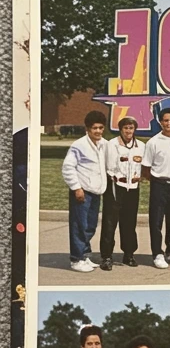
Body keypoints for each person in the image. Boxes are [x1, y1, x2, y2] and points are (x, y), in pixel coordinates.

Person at [61, 109, 108, 272]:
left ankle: (85, 255)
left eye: (101, 128)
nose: (98, 131)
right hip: (82, 192)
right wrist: (76, 188)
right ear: (87, 129)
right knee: (79, 225)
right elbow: (68, 167)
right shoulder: (79, 145)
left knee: (90, 225)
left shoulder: (104, 144)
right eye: (95, 128)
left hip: (96, 191)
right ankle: (76, 259)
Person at [141, 107, 170, 269]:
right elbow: (146, 168)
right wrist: (157, 180)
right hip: (159, 185)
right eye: (165, 120)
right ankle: (157, 253)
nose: (168, 123)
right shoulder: (153, 142)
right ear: (160, 122)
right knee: (156, 221)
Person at [99, 115, 143, 269]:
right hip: (115, 186)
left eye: (131, 128)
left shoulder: (141, 146)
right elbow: (108, 166)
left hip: (133, 188)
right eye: (125, 128)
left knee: (130, 222)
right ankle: (106, 256)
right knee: (110, 222)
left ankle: (129, 254)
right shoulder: (112, 144)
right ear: (120, 129)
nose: (128, 131)